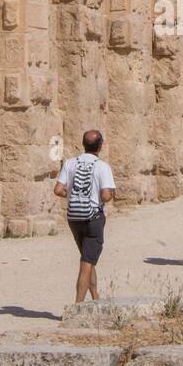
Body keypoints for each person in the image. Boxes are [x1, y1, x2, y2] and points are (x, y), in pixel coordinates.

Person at [54, 130, 115, 305]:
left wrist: (73, 195)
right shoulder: (103, 167)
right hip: (93, 218)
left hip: (74, 217)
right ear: (100, 146)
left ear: (83, 144)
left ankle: (96, 299)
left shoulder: (70, 163)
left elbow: (58, 190)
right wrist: (109, 193)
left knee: (87, 258)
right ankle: (78, 306)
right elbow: (105, 196)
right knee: (87, 262)